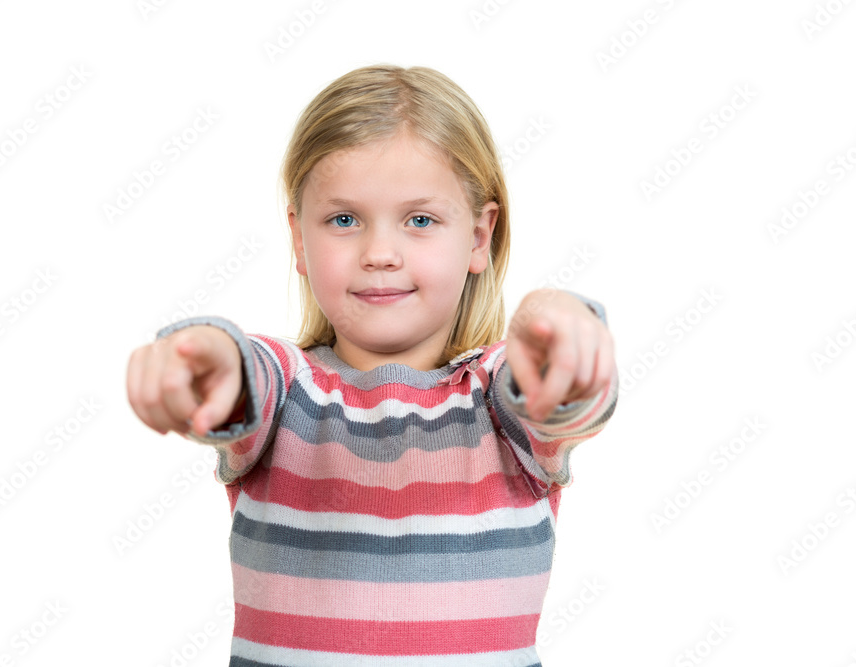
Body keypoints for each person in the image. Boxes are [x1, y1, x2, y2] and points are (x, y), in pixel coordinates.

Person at [127, 63, 619, 666]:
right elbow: (240, 373)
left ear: (478, 237)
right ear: (298, 239)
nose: (380, 254)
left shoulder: (496, 398)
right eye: (343, 220)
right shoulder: (287, 393)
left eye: (420, 220)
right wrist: (203, 358)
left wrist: (558, 322)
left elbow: (557, 392)